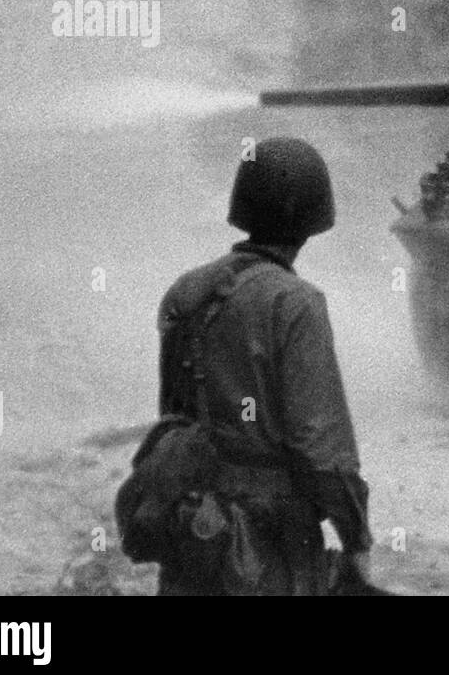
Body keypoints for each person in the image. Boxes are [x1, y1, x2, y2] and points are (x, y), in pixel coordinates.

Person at [155, 136, 371, 595]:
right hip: (268, 546)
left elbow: (172, 420)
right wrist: (356, 539)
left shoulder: (186, 291)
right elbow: (321, 450)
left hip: (193, 532)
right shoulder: (296, 304)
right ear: (314, 217)